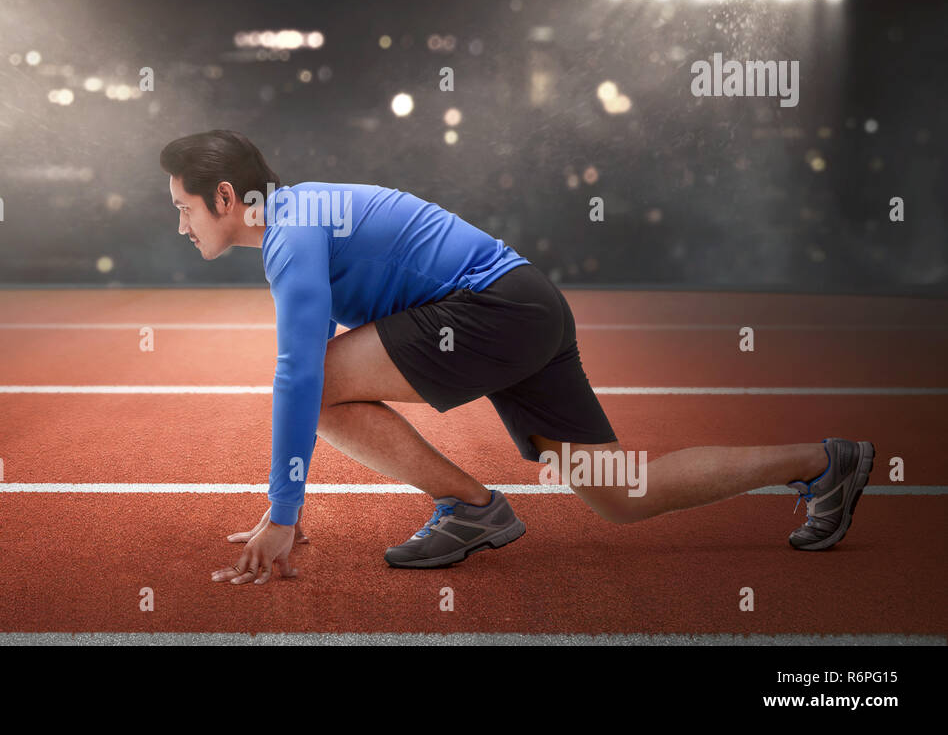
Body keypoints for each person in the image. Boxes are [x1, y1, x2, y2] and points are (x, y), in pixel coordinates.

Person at [160, 130, 875, 587]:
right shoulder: (304, 216)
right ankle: (820, 462)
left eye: (184, 207)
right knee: (621, 493)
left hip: (495, 310)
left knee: (315, 389)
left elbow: (299, 373)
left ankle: (470, 508)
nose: (181, 225)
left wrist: (283, 512)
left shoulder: (293, 228)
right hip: (525, 306)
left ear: (227, 196)